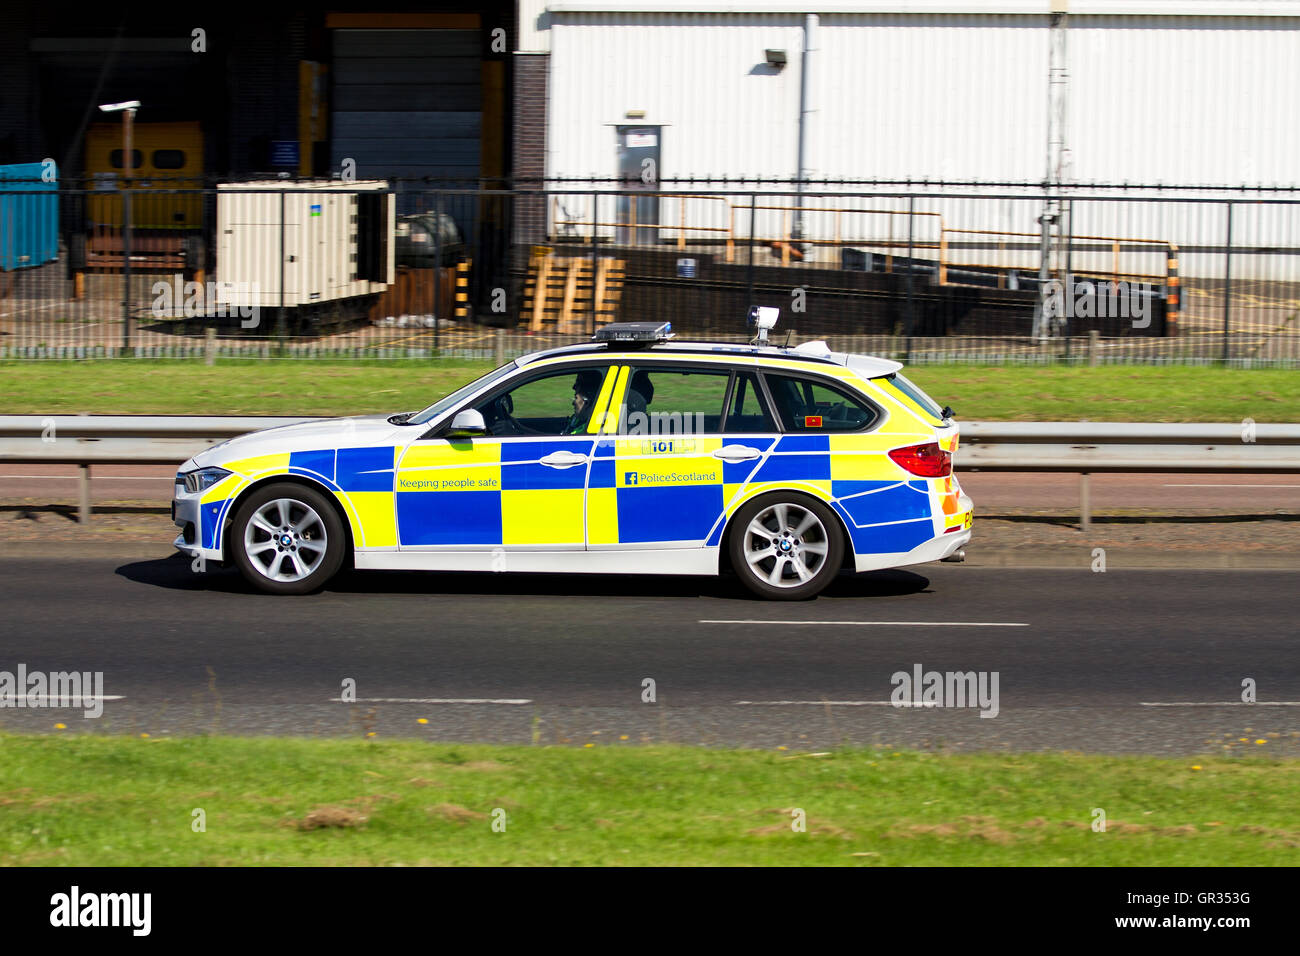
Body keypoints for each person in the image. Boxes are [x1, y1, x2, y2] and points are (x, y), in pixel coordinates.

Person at [564, 370, 606, 434]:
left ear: (587, 402)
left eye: (576, 398)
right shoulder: (577, 420)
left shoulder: (587, 431)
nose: (573, 387)